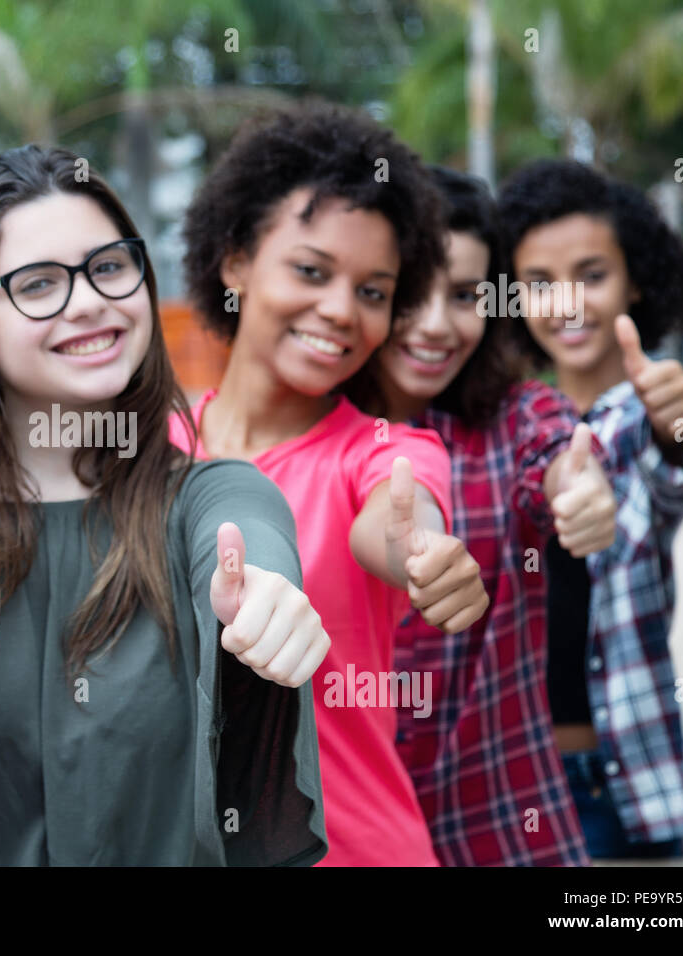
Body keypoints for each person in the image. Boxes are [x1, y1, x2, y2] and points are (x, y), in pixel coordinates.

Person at [0, 144, 329, 866]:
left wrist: (268, 600)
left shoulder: (206, 496)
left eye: (108, 266)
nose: (90, 300)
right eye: (38, 284)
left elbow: (248, 539)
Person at [172, 100, 488, 866]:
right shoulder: (151, 451)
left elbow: (395, 522)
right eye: (311, 271)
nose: (342, 310)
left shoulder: (388, 452)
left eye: (374, 291)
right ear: (236, 261)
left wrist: (423, 555)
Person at [350, 165, 619, 865]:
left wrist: (578, 490)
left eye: (466, 294)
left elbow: (559, 458)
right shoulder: (320, 433)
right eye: (411, 294)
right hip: (349, 834)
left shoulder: (518, 417)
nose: (437, 325)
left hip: (500, 825)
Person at [499, 158, 683, 859]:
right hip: (512, 785)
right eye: (539, 283)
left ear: (635, 279)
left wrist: (678, 420)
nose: (567, 302)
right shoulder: (505, 423)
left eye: (592, 275)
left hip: (626, 786)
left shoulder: (648, 411)